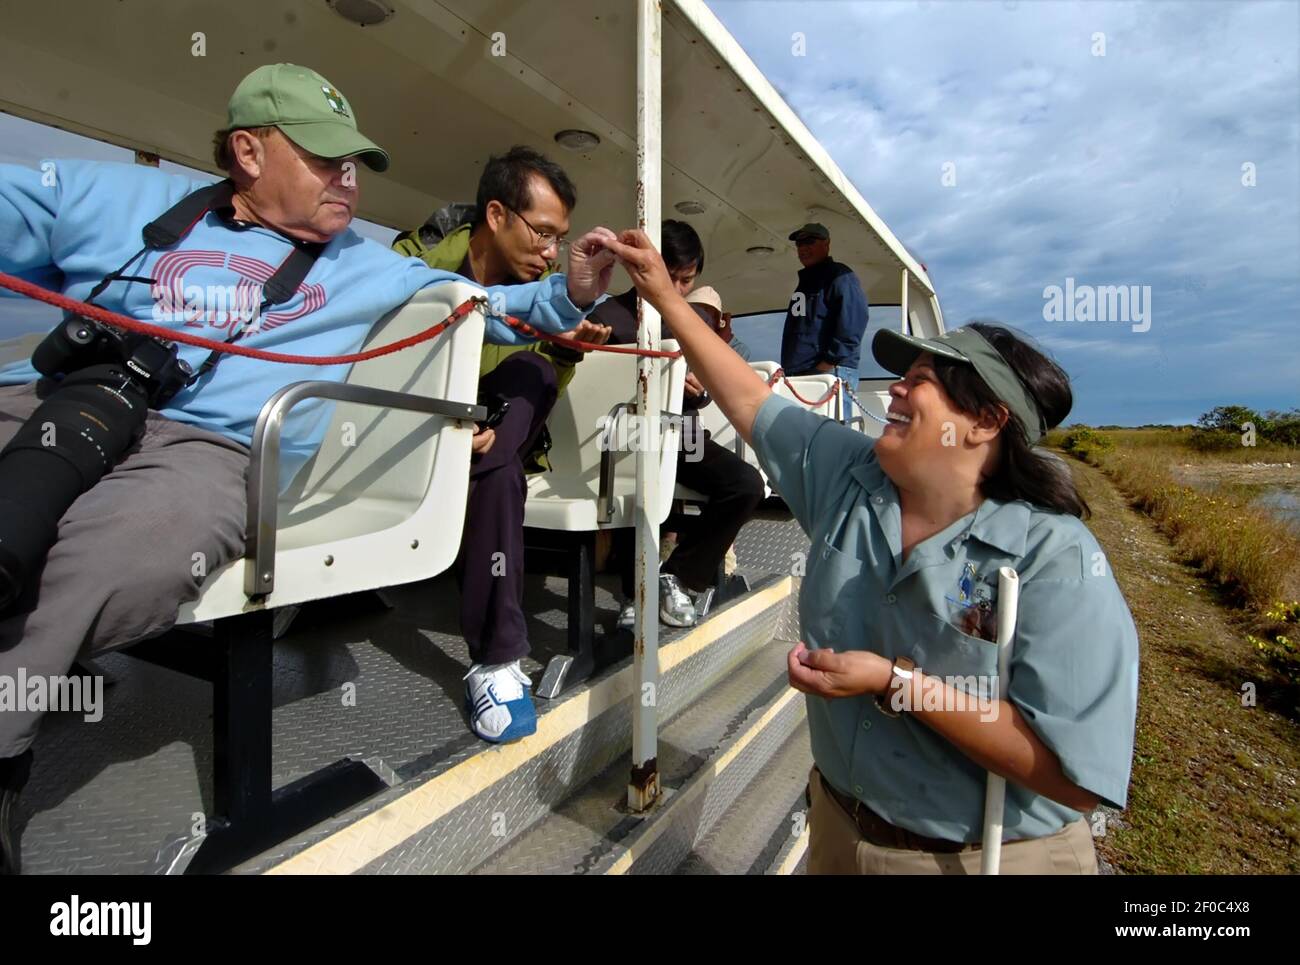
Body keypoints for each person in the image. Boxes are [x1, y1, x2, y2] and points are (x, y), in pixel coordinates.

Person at [0, 63, 615, 874]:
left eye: (353, 164)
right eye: (326, 159)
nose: (347, 180)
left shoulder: (370, 267)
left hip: (216, 448)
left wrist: (570, 294)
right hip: (62, 394)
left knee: (96, 562)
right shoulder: (120, 202)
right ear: (248, 154)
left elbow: (496, 310)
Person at [602, 228, 1139, 875]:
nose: (898, 391)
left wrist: (897, 683)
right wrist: (663, 294)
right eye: (903, 376)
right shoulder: (847, 470)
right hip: (837, 830)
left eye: (923, 381)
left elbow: (1075, 775)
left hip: (982, 859)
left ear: (987, 421)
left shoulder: (1055, 557)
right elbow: (747, 398)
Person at [393, 146, 611, 743]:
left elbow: (541, 389)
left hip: (495, 438)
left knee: (525, 400)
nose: (550, 253)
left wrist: (564, 351)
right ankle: (496, 658)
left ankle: (496, 660)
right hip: (409, 432)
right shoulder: (411, 264)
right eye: (542, 233)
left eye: (558, 239)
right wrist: (450, 423)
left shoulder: (545, 295)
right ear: (495, 214)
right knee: (500, 462)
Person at [591, 222, 764, 629]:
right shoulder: (605, 317)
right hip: (623, 439)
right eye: (674, 278)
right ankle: (637, 593)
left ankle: (676, 576)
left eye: (689, 280)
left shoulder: (691, 323)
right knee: (646, 483)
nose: (681, 289)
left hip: (683, 437)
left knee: (746, 485)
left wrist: (697, 390)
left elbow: (706, 391)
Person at [780, 222, 869, 392]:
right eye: (799, 244)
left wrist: (826, 364)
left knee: (832, 420)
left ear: (826, 244)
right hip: (800, 373)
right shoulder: (804, 285)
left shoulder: (841, 277)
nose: (803, 248)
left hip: (831, 372)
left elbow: (853, 325)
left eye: (810, 242)